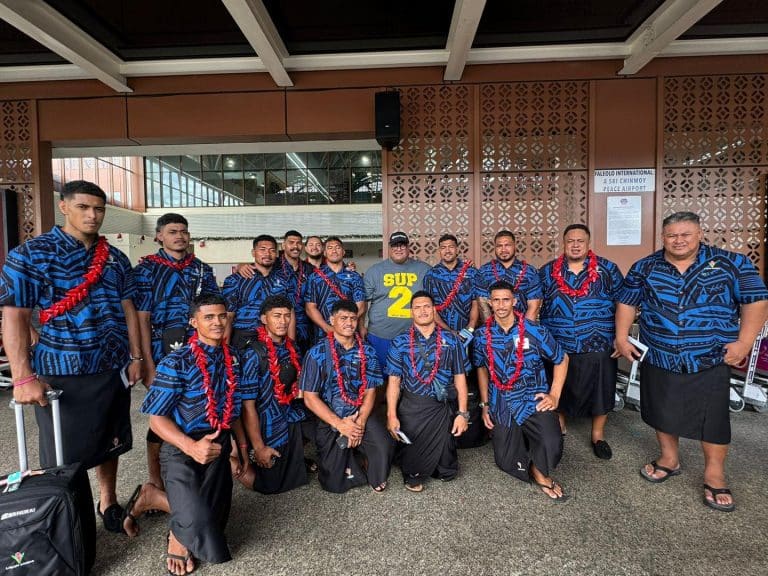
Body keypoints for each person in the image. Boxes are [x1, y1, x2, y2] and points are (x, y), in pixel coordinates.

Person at [0, 180, 142, 540]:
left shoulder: (115, 258)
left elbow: (129, 308)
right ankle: (70, 519)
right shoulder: (32, 254)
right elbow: (14, 315)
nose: (92, 215)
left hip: (112, 367)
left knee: (111, 441)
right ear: (64, 207)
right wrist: (22, 376)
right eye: (83, 207)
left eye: (99, 209)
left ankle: (108, 502)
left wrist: (136, 356)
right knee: (65, 454)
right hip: (63, 370)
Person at [615, 211, 768, 512]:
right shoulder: (645, 267)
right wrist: (621, 337)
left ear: (699, 234)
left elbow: (756, 301)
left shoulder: (732, 263)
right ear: (663, 237)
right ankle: (669, 459)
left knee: (713, 419)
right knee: (661, 410)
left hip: (710, 356)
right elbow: (626, 301)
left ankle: (714, 473)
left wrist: (744, 343)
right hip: (659, 354)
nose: (678, 240)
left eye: (685, 234)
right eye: (672, 235)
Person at [136, 293, 245, 575]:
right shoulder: (176, 362)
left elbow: (234, 411)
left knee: (213, 531)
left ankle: (170, 511)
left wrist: (240, 449)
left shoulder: (233, 358)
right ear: (194, 322)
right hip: (181, 448)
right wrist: (191, 447)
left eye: (222, 316)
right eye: (208, 317)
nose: (217, 322)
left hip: (218, 445)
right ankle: (174, 531)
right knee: (201, 526)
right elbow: (156, 420)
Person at [134, 212, 219, 501]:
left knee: (196, 408)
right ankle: (156, 480)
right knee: (163, 412)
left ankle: (190, 472)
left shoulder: (202, 270)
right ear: (159, 235)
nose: (179, 236)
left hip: (199, 351)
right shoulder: (147, 270)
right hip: (162, 351)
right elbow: (142, 318)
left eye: (183, 231)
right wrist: (147, 362)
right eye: (172, 231)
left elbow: (213, 310)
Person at [473, 281, 569, 501]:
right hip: (501, 402)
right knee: (506, 461)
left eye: (506, 299)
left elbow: (562, 358)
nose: (501, 305)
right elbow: (481, 368)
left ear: (514, 301)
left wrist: (554, 395)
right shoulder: (481, 335)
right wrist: (485, 405)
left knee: (552, 444)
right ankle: (523, 442)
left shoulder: (535, 330)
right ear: (490, 302)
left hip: (531, 398)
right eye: (496, 300)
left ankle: (539, 470)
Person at [539, 224, 624, 459]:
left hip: (598, 342)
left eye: (580, 241)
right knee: (560, 386)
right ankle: (560, 424)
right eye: (570, 241)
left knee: (601, 389)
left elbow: (624, 303)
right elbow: (534, 302)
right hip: (559, 342)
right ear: (563, 243)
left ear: (588, 244)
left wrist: (621, 337)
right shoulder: (547, 271)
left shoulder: (607, 269)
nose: (575, 245)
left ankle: (598, 435)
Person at [299, 299, 394, 493]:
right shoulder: (316, 353)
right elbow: (310, 398)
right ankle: (353, 459)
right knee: (334, 483)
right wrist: (340, 424)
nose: (349, 323)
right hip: (330, 416)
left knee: (384, 445)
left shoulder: (367, 351)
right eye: (343, 318)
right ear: (332, 320)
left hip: (359, 413)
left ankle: (365, 461)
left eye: (353, 318)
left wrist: (360, 423)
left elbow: (370, 391)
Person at [385, 291, 469, 492]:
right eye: (417, 307)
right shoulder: (400, 341)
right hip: (412, 406)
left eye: (426, 306)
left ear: (434, 309)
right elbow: (394, 381)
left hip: (441, 407)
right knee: (413, 469)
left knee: (447, 471)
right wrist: (391, 415)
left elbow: (460, 377)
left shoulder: (452, 340)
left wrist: (463, 414)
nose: (422, 311)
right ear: (411, 312)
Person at [233, 295, 309, 494]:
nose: (283, 321)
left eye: (286, 315)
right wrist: (259, 447)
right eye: (276, 316)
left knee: (295, 477)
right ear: (264, 319)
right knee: (270, 486)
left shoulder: (292, 347)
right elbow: (247, 406)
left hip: (289, 416)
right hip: (267, 425)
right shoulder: (253, 354)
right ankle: (233, 462)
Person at [362, 231, 431, 372]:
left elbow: (435, 301)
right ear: (389, 248)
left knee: (414, 375)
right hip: (380, 335)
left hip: (415, 335)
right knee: (379, 376)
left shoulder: (424, 269)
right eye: (395, 245)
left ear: (408, 247)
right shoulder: (374, 271)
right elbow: (363, 302)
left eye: (402, 245)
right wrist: (361, 326)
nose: (398, 249)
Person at [222, 234, 293, 349]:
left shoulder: (284, 280)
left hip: (275, 337)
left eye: (272, 250)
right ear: (253, 253)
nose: (267, 254)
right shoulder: (235, 280)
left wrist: (291, 346)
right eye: (262, 249)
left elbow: (290, 312)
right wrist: (225, 349)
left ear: (276, 254)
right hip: (243, 337)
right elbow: (228, 316)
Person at [305, 236, 366, 338]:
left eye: (337, 247)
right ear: (324, 253)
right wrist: (327, 328)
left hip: (349, 332)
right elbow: (310, 308)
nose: (334, 251)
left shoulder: (354, 277)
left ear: (343, 252)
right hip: (323, 334)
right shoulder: (315, 277)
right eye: (330, 248)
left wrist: (347, 323)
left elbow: (361, 306)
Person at [475, 230, 542, 320]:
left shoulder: (530, 272)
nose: (503, 249)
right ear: (494, 248)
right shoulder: (484, 272)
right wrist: (492, 327)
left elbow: (534, 306)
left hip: (522, 324)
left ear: (515, 246)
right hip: (493, 325)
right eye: (499, 246)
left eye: (507, 245)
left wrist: (525, 328)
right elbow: (483, 304)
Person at [423, 234, 479, 334]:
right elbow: (430, 306)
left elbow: (476, 302)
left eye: (451, 247)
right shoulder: (431, 275)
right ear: (439, 251)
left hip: (469, 332)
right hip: (441, 333)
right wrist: (448, 331)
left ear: (457, 249)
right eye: (443, 247)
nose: (447, 250)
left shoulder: (471, 272)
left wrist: (470, 328)